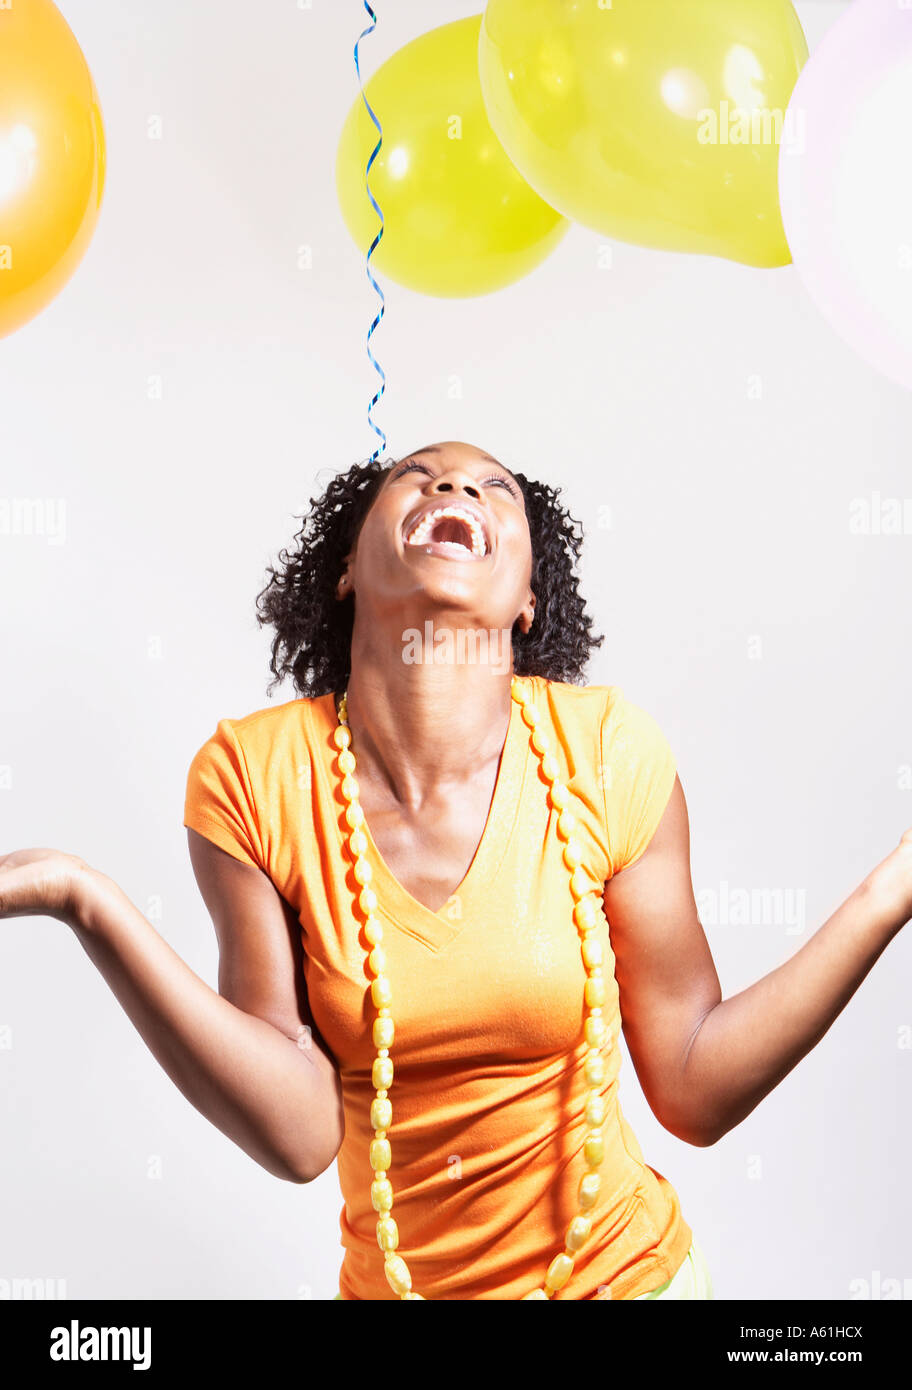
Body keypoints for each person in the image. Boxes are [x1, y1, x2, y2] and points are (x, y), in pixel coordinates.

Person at [1, 440, 909, 1301]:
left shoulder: (605, 751)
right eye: (419, 476)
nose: (458, 489)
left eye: (495, 487)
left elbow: (694, 1083)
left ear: (526, 600)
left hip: (627, 1284)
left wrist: (890, 892)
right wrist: (84, 897)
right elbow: (300, 1133)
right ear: (349, 568)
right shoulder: (252, 777)